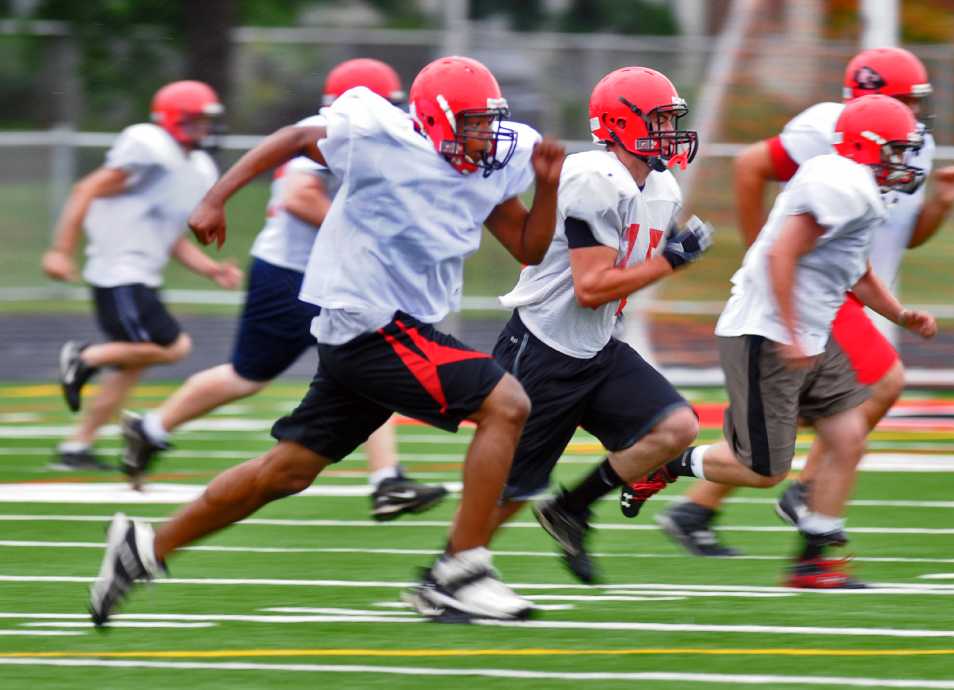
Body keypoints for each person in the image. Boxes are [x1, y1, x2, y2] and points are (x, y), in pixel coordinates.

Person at [88, 55, 566, 625]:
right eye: (473, 124)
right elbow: (294, 137)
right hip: (369, 321)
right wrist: (215, 198)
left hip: (390, 328)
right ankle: (461, 571)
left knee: (285, 472)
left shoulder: (500, 158)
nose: (487, 137)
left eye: (491, 123)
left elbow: (527, 248)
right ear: (434, 120)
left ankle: (144, 548)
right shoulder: (378, 134)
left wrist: (546, 186)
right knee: (507, 404)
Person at [622, 47, 954, 564]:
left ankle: (806, 546)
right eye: (902, 111)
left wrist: (900, 311)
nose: (912, 139)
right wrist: (779, 307)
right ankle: (727, 482)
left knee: (835, 433)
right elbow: (780, 237)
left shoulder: (873, 175)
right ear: (870, 125)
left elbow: (862, 263)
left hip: (819, 306)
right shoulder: (840, 171)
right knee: (777, 460)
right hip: (782, 317)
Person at [119, 58, 446, 518]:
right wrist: (375, 231)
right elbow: (298, 197)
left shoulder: (360, 132)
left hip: (324, 275)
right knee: (254, 374)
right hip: (293, 274)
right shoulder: (329, 129)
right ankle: (152, 428)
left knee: (367, 364)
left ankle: (387, 479)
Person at [437, 66, 707, 587]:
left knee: (676, 428)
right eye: (659, 121)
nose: (669, 134)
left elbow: (615, 285)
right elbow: (590, 287)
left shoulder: (662, 187)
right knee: (511, 492)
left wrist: (658, 264)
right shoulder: (592, 178)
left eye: (672, 121)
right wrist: (672, 260)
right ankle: (448, 572)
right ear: (619, 123)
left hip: (596, 346)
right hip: (542, 348)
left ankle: (572, 509)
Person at [43, 81, 242, 472]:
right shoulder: (151, 148)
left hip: (139, 275)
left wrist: (210, 268)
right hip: (119, 272)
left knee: (130, 368)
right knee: (174, 346)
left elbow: (171, 237)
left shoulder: (197, 167)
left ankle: (76, 446)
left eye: (207, 121)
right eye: (196, 120)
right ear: (171, 121)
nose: (204, 128)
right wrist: (59, 250)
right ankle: (84, 357)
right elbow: (86, 188)